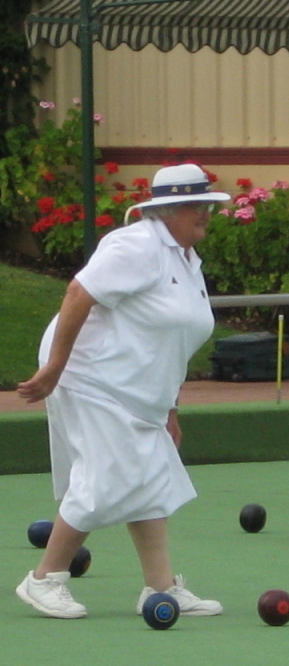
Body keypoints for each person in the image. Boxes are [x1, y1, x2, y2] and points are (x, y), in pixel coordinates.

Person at [15, 163, 228, 619]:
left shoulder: (187, 260)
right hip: (90, 377)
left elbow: (174, 339)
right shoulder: (136, 244)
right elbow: (78, 293)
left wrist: (170, 407)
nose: (205, 213)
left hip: (136, 389)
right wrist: (55, 367)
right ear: (166, 210)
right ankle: (44, 579)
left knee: (148, 478)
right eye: (195, 204)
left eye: (207, 204)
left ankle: (160, 588)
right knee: (108, 476)